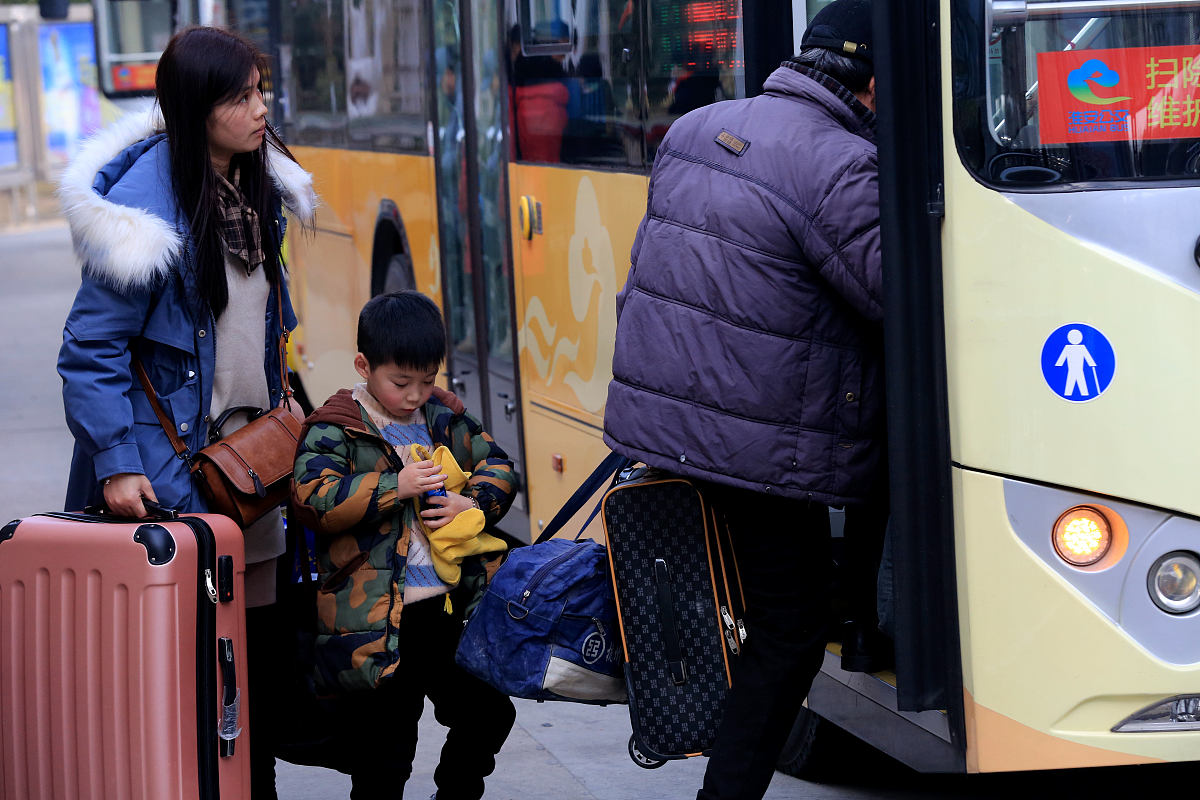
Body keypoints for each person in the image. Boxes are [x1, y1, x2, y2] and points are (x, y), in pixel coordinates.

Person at [602, 1, 883, 797]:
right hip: (756, 440)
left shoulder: (696, 127)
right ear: (869, 88)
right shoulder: (840, 164)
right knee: (791, 630)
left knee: (753, 606)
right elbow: (897, 295)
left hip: (673, 420)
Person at [56, 26, 316, 799]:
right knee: (190, 670)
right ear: (198, 106)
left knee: (254, 664)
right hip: (174, 480)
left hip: (253, 470)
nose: (261, 107)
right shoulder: (143, 216)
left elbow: (268, 334)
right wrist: (118, 463)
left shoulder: (255, 188)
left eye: (263, 89)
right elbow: (89, 351)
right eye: (242, 95)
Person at [291, 290, 517, 800]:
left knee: (487, 713)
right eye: (400, 382)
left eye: (427, 380)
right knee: (385, 753)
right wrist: (398, 487)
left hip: (446, 612)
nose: (415, 395)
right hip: (375, 621)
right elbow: (314, 498)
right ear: (363, 366)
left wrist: (473, 504)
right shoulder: (337, 427)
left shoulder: (443, 416)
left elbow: (498, 464)